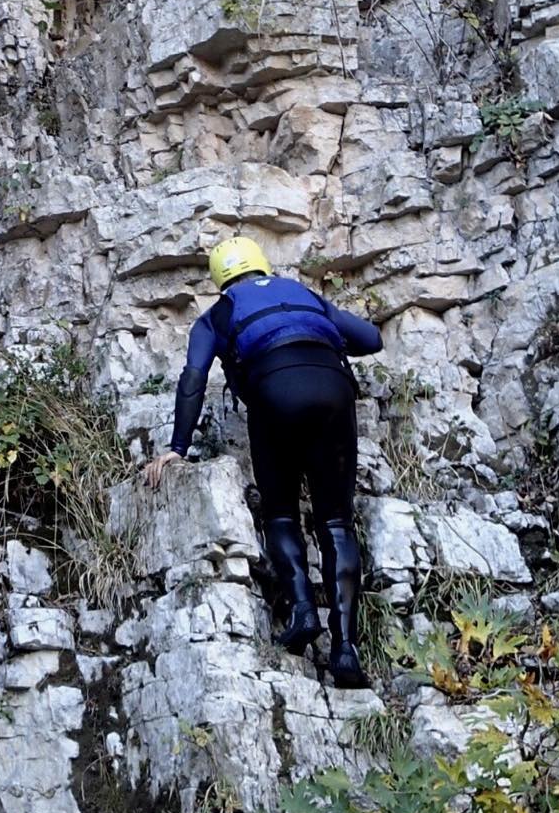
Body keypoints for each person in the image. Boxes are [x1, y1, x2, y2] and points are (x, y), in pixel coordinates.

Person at [143, 235, 383, 689]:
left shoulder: (217, 315)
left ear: (220, 278)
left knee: (280, 512)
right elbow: (371, 339)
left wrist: (178, 445)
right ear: (261, 263)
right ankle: (346, 650)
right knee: (336, 522)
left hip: (274, 391)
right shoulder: (303, 294)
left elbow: (194, 377)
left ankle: (302, 610)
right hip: (332, 389)